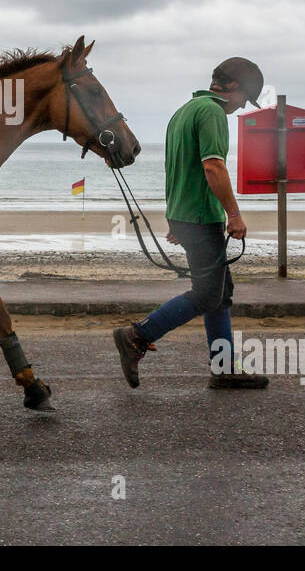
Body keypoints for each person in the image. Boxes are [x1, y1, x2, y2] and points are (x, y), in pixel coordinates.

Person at [112, 57, 270, 389]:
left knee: (219, 293)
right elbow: (213, 167)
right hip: (200, 218)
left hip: (187, 216)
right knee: (207, 294)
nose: (242, 106)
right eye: (245, 98)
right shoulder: (212, 112)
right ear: (233, 87)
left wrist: (176, 218)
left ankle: (225, 368)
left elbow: (177, 170)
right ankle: (138, 335)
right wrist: (235, 214)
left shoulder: (183, 112)